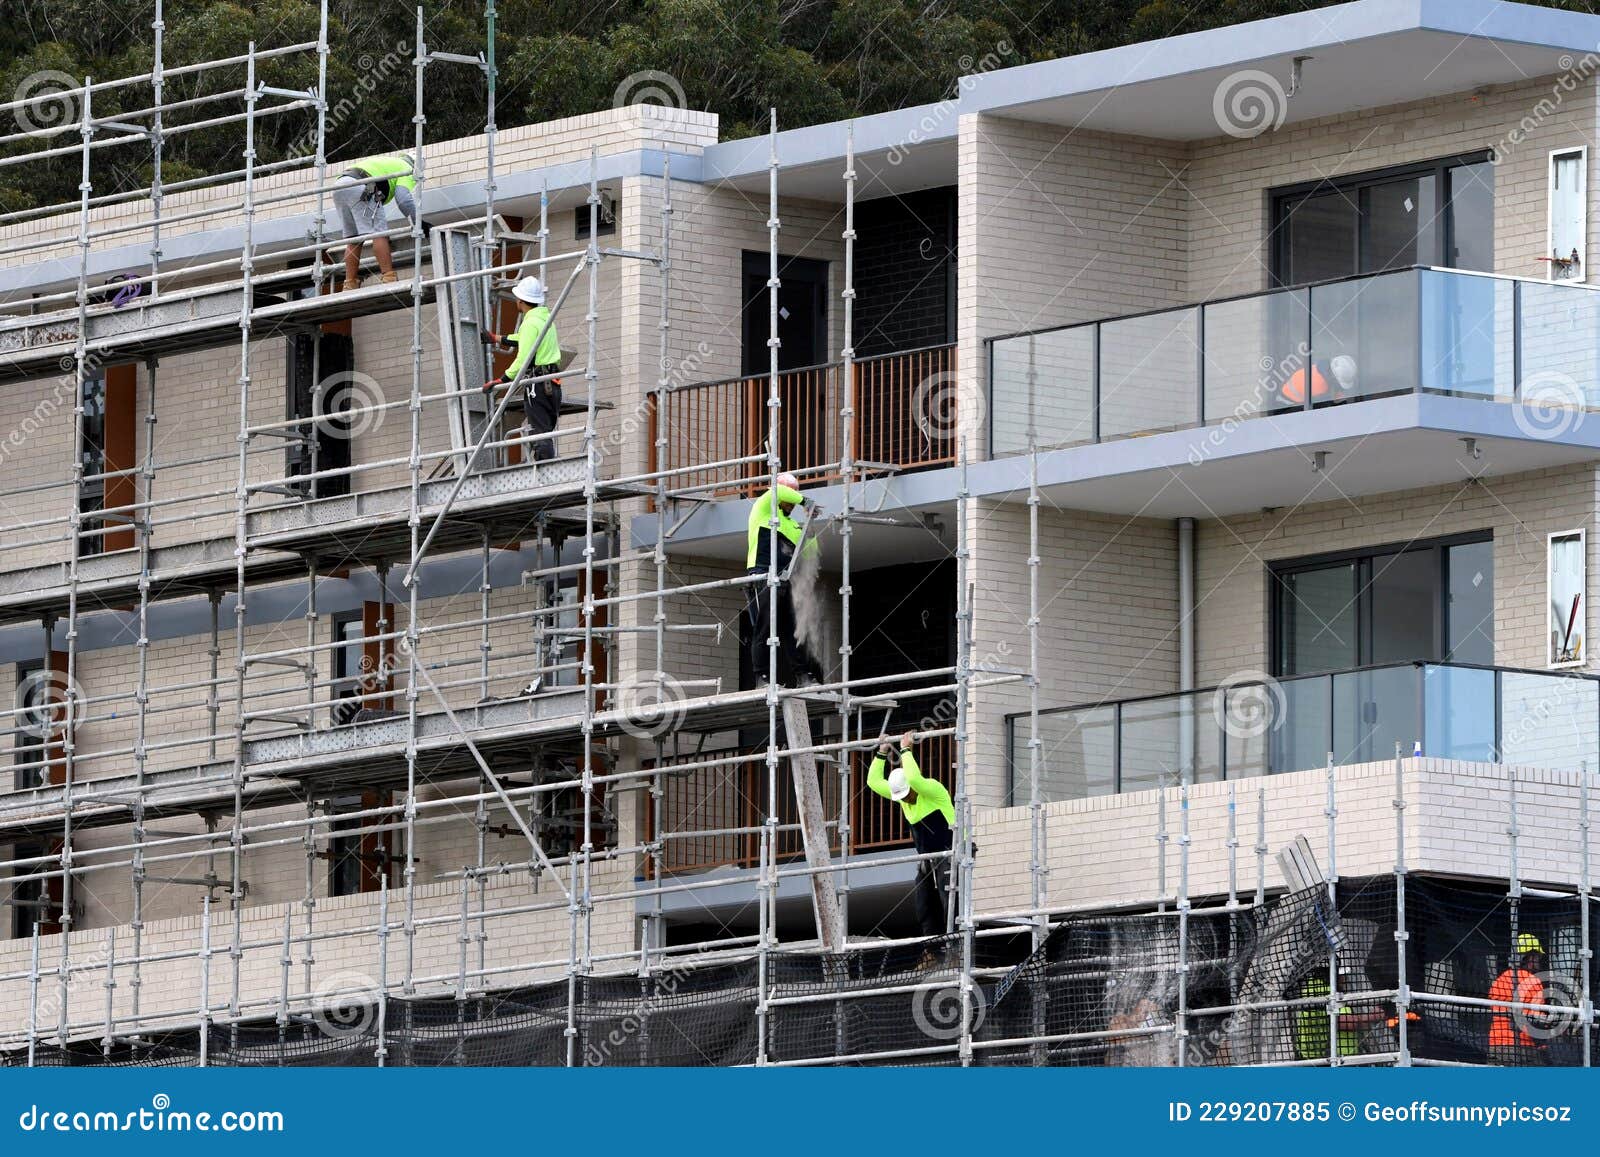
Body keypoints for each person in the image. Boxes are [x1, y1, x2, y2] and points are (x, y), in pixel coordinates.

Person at [867, 732, 956, 957]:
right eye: (902, 797)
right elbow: (873, 782)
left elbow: (915, 779)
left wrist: (906, 749)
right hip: (927, 859)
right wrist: (882, 752)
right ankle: (933, 952)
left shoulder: (932, 790)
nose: (906, 799)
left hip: (952, 853)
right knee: (925, 903)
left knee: (951, 899)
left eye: (908, 794)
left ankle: (957, 951)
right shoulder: (902, 795)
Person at [743, 472, 822, 686]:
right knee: (764, 628)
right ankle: (761, 678)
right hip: (763, 576)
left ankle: (803, 676)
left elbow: (808, 551)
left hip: (785, 581)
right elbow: (779, 491)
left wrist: (809, 527)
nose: (791, 504)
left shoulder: (791, 525)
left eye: (793, 501)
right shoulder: (762, 508)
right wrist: (806, 500)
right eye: (789, 499)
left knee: (791, 630)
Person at [482, 277, 562, 462]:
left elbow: (523, 360)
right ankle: (544, 464)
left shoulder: (529, 323)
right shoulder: (545, 320)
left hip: (538, 385)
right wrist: (496, 338)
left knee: (539, 432)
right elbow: (523, 338)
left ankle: (544, 471)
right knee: (545, 430)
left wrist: (500, 381)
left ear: (520, 300)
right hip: (553, 384)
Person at [331, 152, 420, 291]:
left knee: (353, 238)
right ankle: (388, 277)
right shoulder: (408, 170)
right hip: (362, 186)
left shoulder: (390, 163)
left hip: (339, 186)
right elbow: (404, 199)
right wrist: (418, 222)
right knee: (379, 233)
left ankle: (350, 283)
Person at [1488, 932, 1553, 1065]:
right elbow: (1534, 1022)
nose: (1538, 962)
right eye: (1536, 958)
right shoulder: (1533, 982)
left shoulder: (1500, 980)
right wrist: (1544, 1049)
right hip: (1522, 1048)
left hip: (1495, 1046)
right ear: (1529, 957)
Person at [1292, 968, 1381, 1062]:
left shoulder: (1316, 990)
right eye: (1341, 976)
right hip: (1337, 1059)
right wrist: (1374, 1016)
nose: (1344, 979)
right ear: (1332, 976)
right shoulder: (1327, 993)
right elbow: (1345, 1022)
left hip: (1330, 1057)